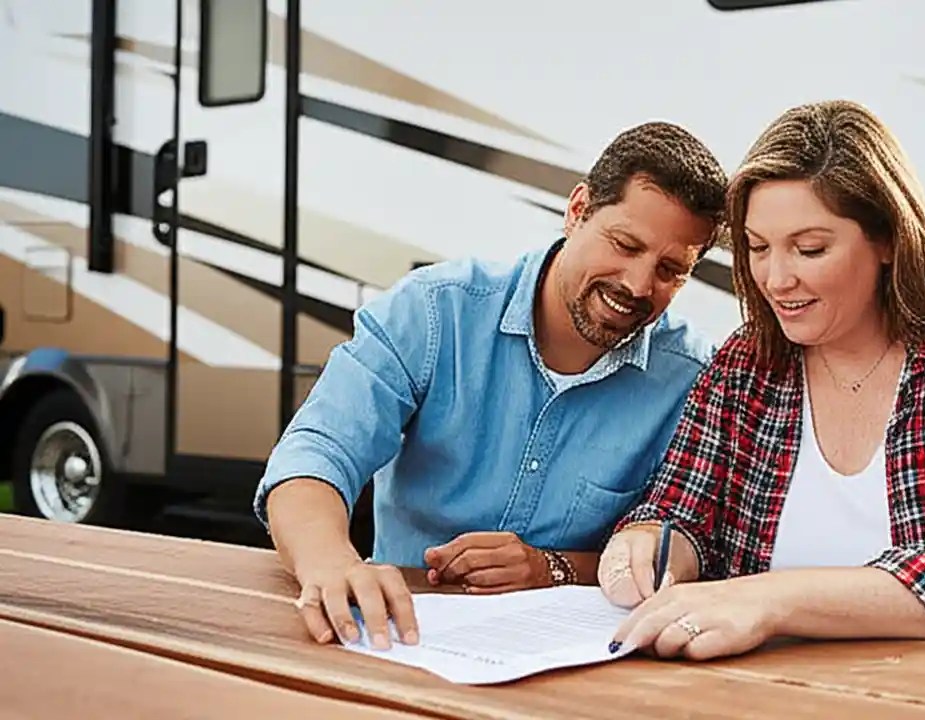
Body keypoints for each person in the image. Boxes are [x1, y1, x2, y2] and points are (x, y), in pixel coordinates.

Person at [598, 100, 925, 663]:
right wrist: (645, 547)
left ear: (888, 240)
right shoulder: (746, 365)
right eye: (758, 247)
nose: (775, 278)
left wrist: (770, 601)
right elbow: (680, 514)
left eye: (810, 248)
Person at [253, 121, 728, 651]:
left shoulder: (693, 377)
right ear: (577, 211)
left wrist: (547, 568)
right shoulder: (436, 311)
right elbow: (316, 451)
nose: (638, 284)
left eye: (669, 270)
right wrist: (332, 562)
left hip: (571, 661)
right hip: (400, 638)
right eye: (624, 244)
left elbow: (687, 554)